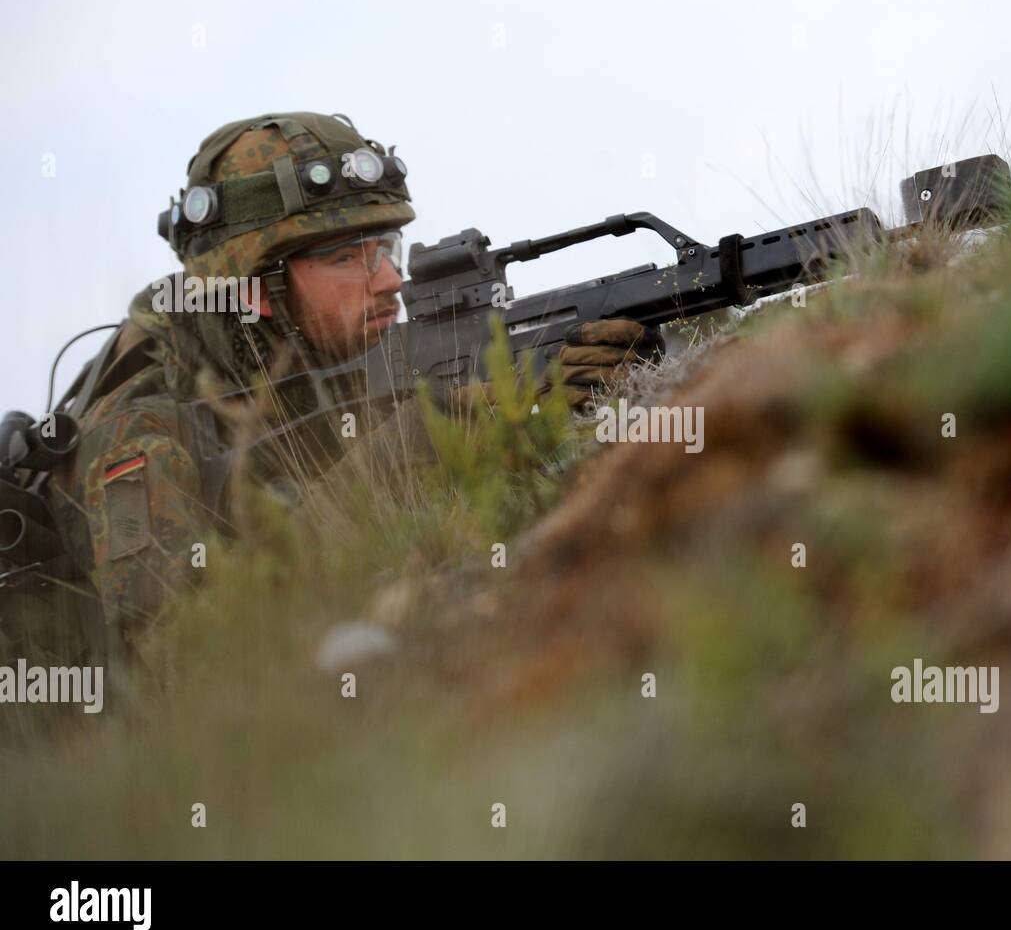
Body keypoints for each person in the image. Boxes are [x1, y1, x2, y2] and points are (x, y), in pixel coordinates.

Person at [6, 112, 661, 670]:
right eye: (346, 258)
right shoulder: (137, 431)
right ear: (255, 288)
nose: (389, 281)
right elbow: (190, 653)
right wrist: (404, 451)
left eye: (386, 246)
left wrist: (525, 407)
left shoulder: (317, 353)